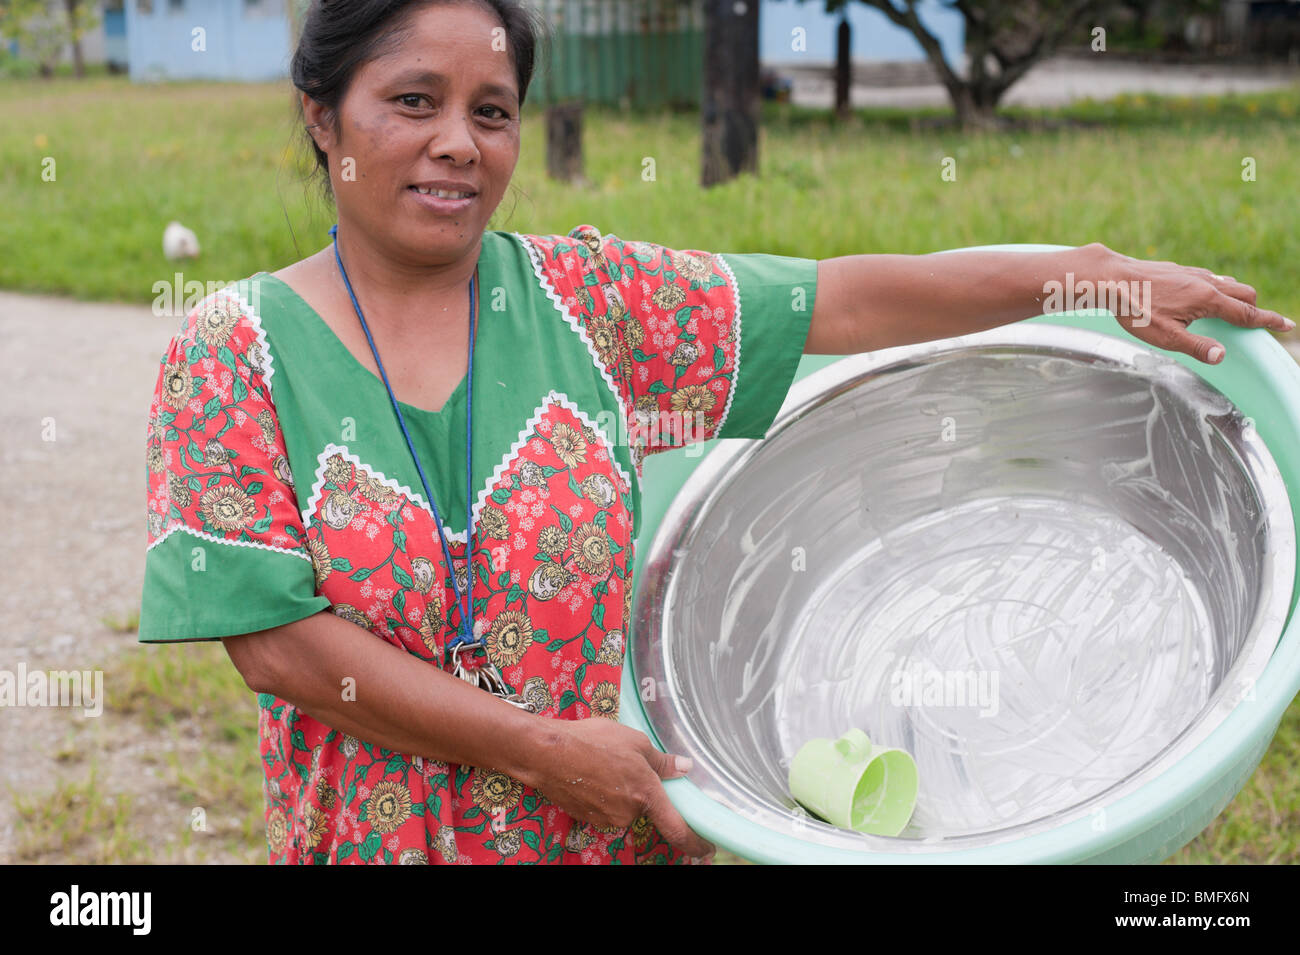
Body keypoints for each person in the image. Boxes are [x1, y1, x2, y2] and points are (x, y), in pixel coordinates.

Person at [137, 0, 1293, 865]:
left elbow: (844, 299)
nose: (458, 142)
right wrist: (535, 750)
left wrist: (1087, 279)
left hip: (613, 837)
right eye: (411, 102)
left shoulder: (587, 304)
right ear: (319, 112)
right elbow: (279, 645)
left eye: (490, 113)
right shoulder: (234, 352)